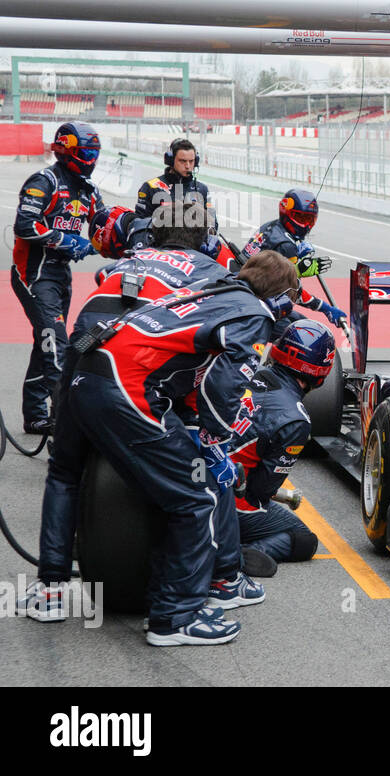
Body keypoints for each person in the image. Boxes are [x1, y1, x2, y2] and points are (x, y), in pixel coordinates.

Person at [62, 251, 299, 645]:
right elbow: (220, 387)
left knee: (199, 476)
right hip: (126, 390)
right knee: (196, 495)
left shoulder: (209, 290)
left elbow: (188, 369)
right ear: (280, 297)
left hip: (95, 379)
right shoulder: (254, 314)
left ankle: (218, 581)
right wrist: (216, 440)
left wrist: (201, 437)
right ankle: (173, 618)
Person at [19, 203, 239, 623]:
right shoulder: (210, 269)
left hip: (82, 349)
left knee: (63, 471)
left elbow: (105, 279)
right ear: (207, 239)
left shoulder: (131, 257)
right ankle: (198, 591)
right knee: (189, 482)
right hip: (132, 366)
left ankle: (49, 589)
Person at [11, 121, 104, 434]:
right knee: (57, 346)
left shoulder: (88, 188)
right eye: (85, 152)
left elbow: (105, 223)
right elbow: (24, 225)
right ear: (67, 150)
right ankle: (66, 427)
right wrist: (66, 240)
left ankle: (35, 416)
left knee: (46, 344)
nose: (91, 159)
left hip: (59, 275)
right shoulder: (44, 180)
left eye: (95, 152)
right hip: (34, 274)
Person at [230, 321, 334, 577]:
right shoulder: (295, 420)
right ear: (320, 370)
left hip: (188, 472)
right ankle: (234, 556)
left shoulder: (241, 370)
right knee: (303, 539)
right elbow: (259, 491)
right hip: (224, 498)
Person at [241, 188, 346, 331]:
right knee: (302, 334)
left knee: (303, 322)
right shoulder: (286, 245)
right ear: (286, 212)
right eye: (301, 218)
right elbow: (293, 291)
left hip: (248, 289)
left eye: (309, 219)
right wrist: (325, 308)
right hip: (257, 304)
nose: (306, 225)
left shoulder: (270, 226)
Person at [136, 137, 217, 232]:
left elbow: (213, 225)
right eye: (182, 161)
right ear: (170, 160)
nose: (187, 166)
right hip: (161, 244)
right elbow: (140, 223)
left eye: (191, 161)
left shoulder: (202, 189)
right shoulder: (151, 187)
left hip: (194, 245)